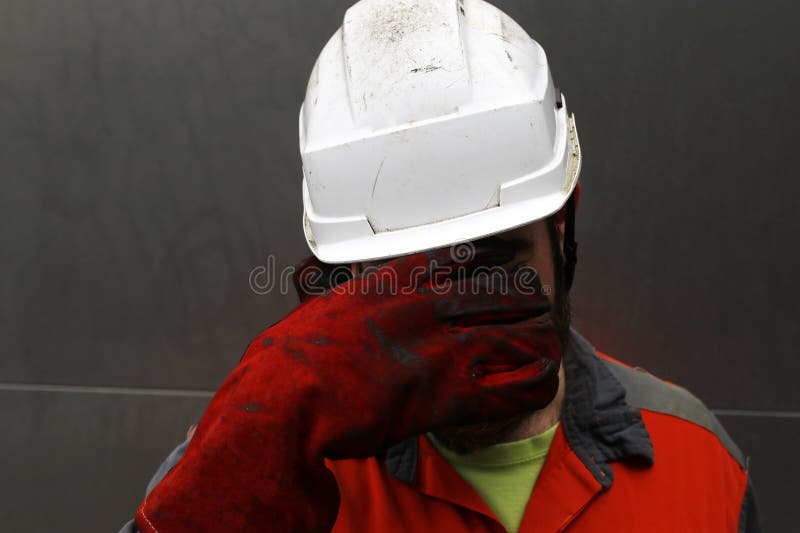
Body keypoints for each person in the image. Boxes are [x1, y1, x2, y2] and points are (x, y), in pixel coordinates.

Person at [122, 0, 759, 531]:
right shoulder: (268, 467)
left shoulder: (697, 461)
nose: (454, 313)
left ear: (561, 226)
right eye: (406, 278)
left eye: (493, 261)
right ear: (346, 281)